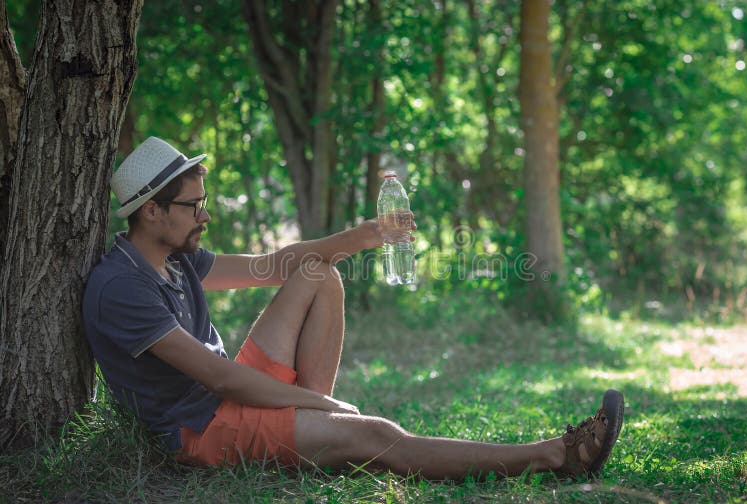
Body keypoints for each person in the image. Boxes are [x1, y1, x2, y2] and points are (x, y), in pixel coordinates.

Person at [83, 136, 624, 480]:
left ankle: (315, 431)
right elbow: (221, 381)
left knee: (316, 273)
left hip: (228, 392)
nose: (205, 217)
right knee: (377, 436)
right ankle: (555, 455)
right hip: (202, 428)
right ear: (151, 211)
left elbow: (276, 265)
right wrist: (318, 404)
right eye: (193, 207)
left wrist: (368, 235)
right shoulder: (122, 289)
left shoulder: (177, 257)